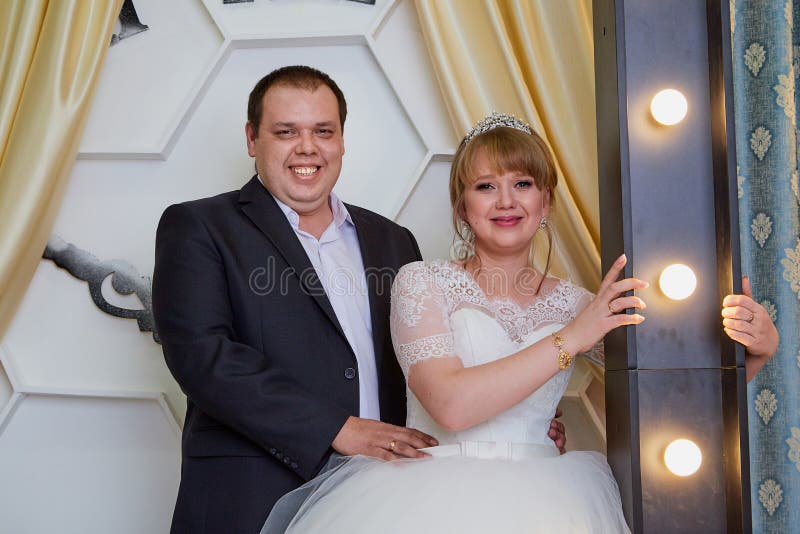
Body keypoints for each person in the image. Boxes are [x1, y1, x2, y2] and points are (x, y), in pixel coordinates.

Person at [262, 113, 782, 534]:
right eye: (486, 186)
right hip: (423, 499)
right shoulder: (422, 282)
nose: (506, 201)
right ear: (463, 207)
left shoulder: (582, 304)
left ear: (546, 201)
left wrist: (751, 357)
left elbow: (672, 406)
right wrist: (573, 338)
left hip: (552, 502)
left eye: (523, 183)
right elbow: (451, 405)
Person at [152, 69, 568, 533]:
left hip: (386, 498)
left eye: (323, 131)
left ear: (342, 141)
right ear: (252, 139)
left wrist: (524, 420)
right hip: (254, 495)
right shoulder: (200, 226)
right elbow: (203, 359)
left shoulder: (392, 241)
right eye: (286, 132)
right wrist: (338, 428)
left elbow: (429, 359)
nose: (307, 147)